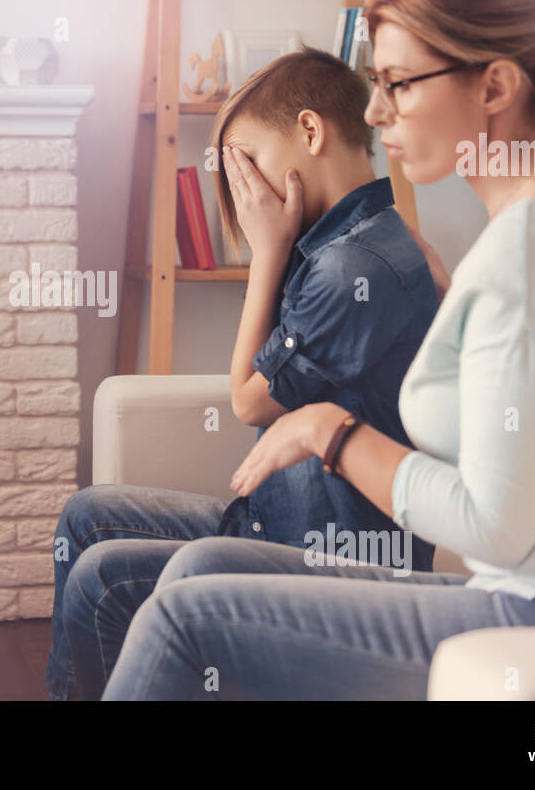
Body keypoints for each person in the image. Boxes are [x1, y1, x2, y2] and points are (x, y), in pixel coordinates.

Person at [101, 0, 535, 701]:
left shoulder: (533, 253)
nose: (374, 110)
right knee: (201, 568)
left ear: (494, 86)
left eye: (398, 84)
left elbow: (494, 529)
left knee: (186, 620)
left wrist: (332, 433)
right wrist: (461, 306)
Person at [46, 47, 443, 700]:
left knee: (103, 580)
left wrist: (265, 251)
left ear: (310, 133)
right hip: (271, 524)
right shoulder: (341, 245)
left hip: (327, 556)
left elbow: (249, 402)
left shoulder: (355, 268)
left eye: (249, 161)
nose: (246, 189)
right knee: (87, 517)